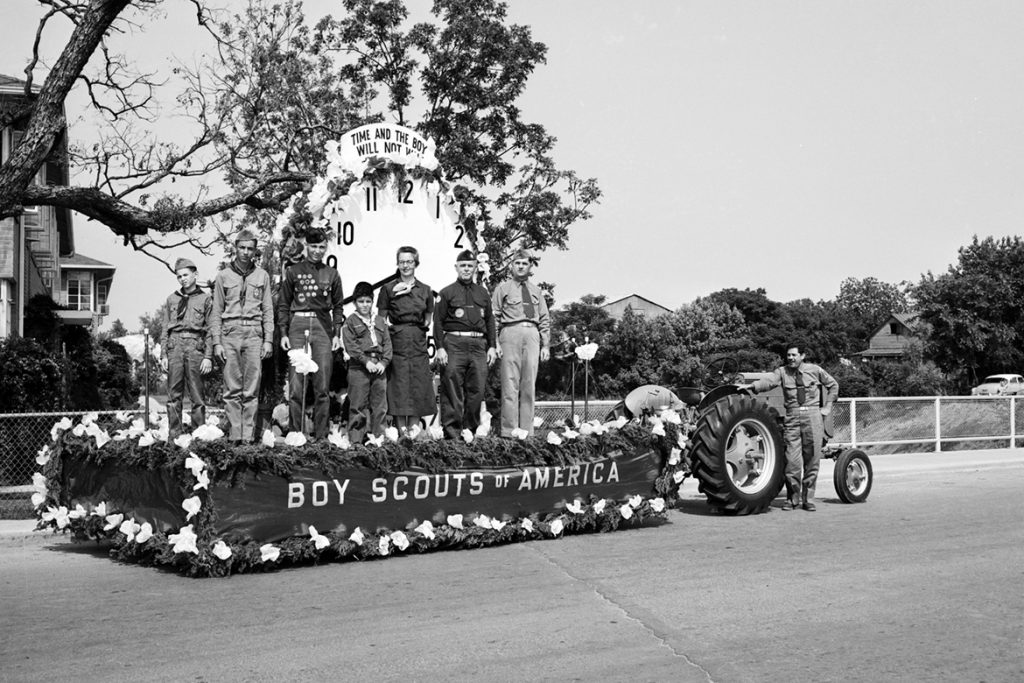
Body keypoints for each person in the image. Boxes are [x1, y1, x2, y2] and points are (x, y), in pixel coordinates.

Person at [739, 344, 839, 511]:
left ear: (803, 355)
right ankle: (792, 499)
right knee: (792, 462)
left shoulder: (814, 370)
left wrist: (828, 406)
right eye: (789, 355)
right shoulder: (782, 372)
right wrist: (752, 386)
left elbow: (833, 385)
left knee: (812, 459)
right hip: (792, 417)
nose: (791, 358)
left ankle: (808, 499)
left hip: (813, 416)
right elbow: (769, 381)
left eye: (794, 355)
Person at [277, 228, 344, 439]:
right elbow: (284, 304)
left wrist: (336, 334)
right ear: (306, 246)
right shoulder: (294, 271)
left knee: (322, 385)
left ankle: (322, 436)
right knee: (297, 385)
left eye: (321, 247)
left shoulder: (331, 274)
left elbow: (339, 306)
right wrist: (284, 332)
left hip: (323, 326)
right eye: (313, 246)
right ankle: (296, 433)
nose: (317, 251)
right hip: (298, 324)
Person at [210, 230, 275, 443]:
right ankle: (234, 436)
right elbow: (216, 311)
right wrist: (217, 342)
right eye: (242, 248)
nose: (246, 252)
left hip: (254, 333)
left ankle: (247, 437)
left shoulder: (262, 276)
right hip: (230, 333)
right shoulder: (223, 276)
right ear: (235, 248)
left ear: (255, 250)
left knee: (251, 389)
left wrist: (268, 340)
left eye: (250, 248)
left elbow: (267, 310)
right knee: (231, 388)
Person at [433, 250, 498, 438]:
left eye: (470, 266)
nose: (466, 269)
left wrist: (492, 346)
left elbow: (490, 321)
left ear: (476, 268)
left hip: (479, 344)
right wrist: (439, 347)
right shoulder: (446, 293)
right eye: (463, 266)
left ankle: (470, 431)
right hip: (454, 343)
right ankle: (452, 434)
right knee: (452, 388)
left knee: (477, 389)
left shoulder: (483, 293)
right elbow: (437, 322)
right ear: (456, 267)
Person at [377, 246, 436, 432]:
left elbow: (428, 317)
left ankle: (414, 429)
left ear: (415, 263)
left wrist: (416, 330)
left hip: (417, 340)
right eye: (402, 262)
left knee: (418, 382)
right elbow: (381, 318)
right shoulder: (387, 289)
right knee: (399, 383)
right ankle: (400, 429)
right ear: (397, 263)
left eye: (409, 261)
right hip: (397, 340)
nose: (405, 265)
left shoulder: (425, 290)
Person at [492, 248, 550, 437]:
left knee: (529, 385)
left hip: (532, 335)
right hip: (510, 334)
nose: (521, 266)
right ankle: (509, 432)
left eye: (524, 263)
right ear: (512, 266)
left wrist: (546, 344)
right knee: (510, 384)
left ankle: (527, 431)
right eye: (517, 263)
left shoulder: (536, 291)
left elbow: (544, 318)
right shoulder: (503, 288)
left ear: (530, 266)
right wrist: (495, 343)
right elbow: (494, 317)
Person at [159, 257, 213, 437]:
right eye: (179, 276)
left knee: (197, 395)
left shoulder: (205, 299)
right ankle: (174, 436)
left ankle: (198, 435)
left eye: (186, 275)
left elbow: (211, 330)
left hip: (195, 347)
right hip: (174, 348)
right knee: (174, 395)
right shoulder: (172, 299)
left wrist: (208, 356)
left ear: (195, 274)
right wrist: (164, 355)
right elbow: (165, 328)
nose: (183, 279)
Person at [342, 281, 392, 444]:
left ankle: (379, 440)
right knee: (358, 405)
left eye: (368, 301)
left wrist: (383, 363)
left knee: (380, 406)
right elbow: (351, 346)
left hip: (378, 367)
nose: (365, 305)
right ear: (355, 302)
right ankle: (356, 441)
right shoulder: (350, 321)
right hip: (359, 367)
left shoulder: (380, 321)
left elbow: (387, 344)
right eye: (361, 301)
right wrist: (365, 362)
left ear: (372, 301)